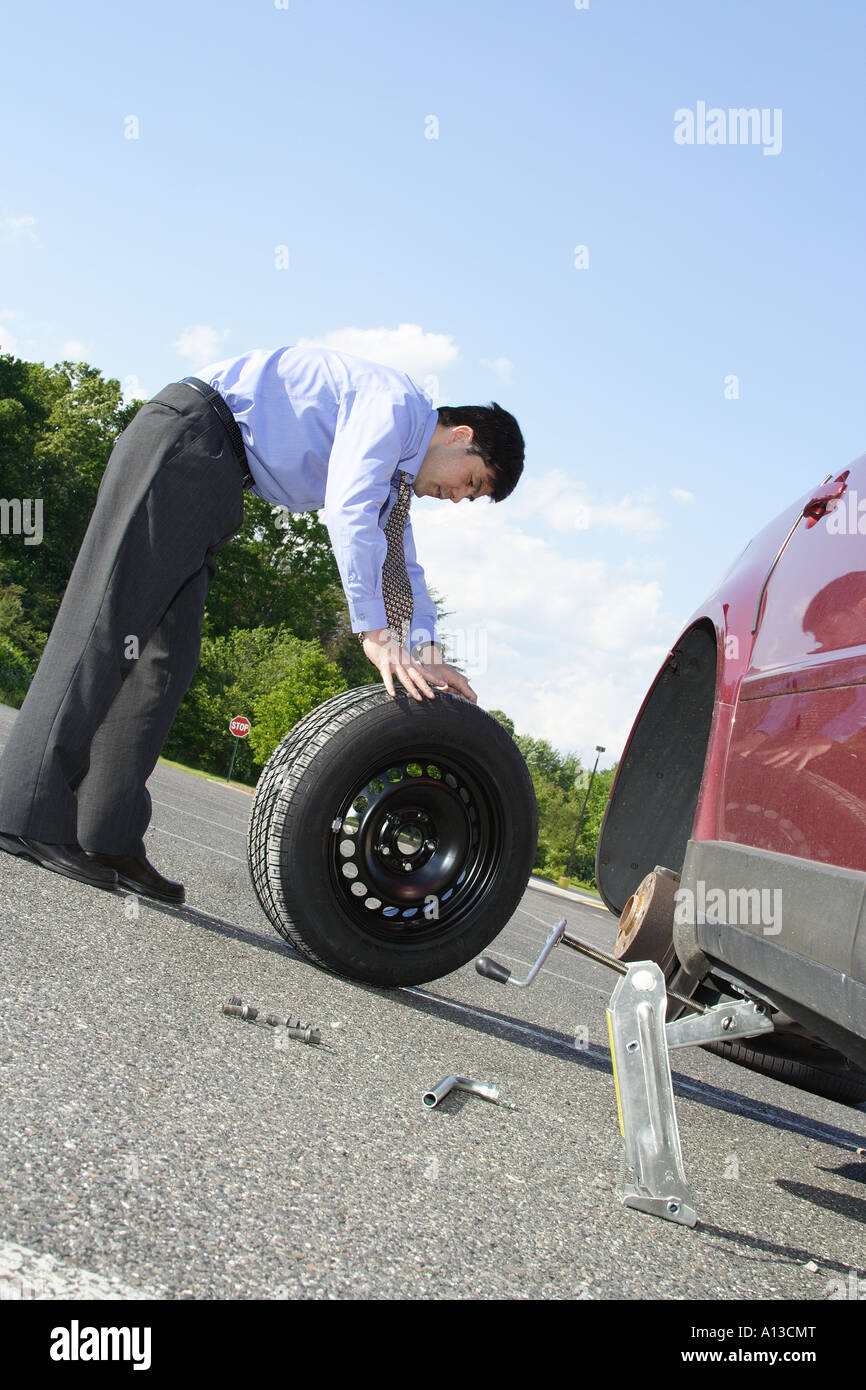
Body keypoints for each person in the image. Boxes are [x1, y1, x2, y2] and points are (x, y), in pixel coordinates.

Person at [0, 345, 525, 902]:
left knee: (165, 662)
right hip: (190, 441)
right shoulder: (395, 406)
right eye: (473, 482)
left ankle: (105, 834)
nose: (460, 498)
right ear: (462, 435)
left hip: (217, 475)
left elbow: (397, 556)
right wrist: (375, 633)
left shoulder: (397, 471)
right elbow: (349, 509)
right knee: (108, 626)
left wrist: (426, 651)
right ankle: (25, 811)